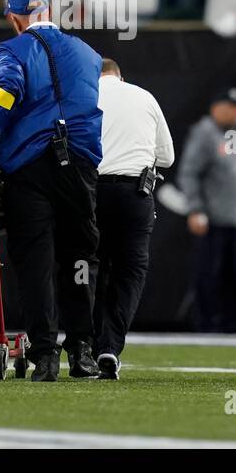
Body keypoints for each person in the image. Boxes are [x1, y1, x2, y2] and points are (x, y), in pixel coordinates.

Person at [0, 0, 104, 381]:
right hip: (79, 164)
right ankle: (82, 351)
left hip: (31, 165)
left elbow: (7, 91)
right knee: (80, 258)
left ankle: (44, 355)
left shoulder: (13, 50)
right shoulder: (88, 53)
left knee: (36, 262)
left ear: (14, 17)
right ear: (48, 11)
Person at [93, 58, 174, 379]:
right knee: (129, 271)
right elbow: (166, 157)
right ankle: (110, 346)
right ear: (120, 76)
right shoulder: (144, 97)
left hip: (92, 192)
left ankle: (83, 345)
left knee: (90, 268)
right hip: (134, 193)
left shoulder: (81, 96)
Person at [181, 88, 236, 333]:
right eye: (233, 107)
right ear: (217, 108)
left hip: (233, 219)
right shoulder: (205, 132)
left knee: (232, 276)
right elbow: (189, 173)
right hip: (212, 219)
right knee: (209, 274)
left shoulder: (231, 134)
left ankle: (230, 325)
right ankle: (206, 324)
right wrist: (196, 209)